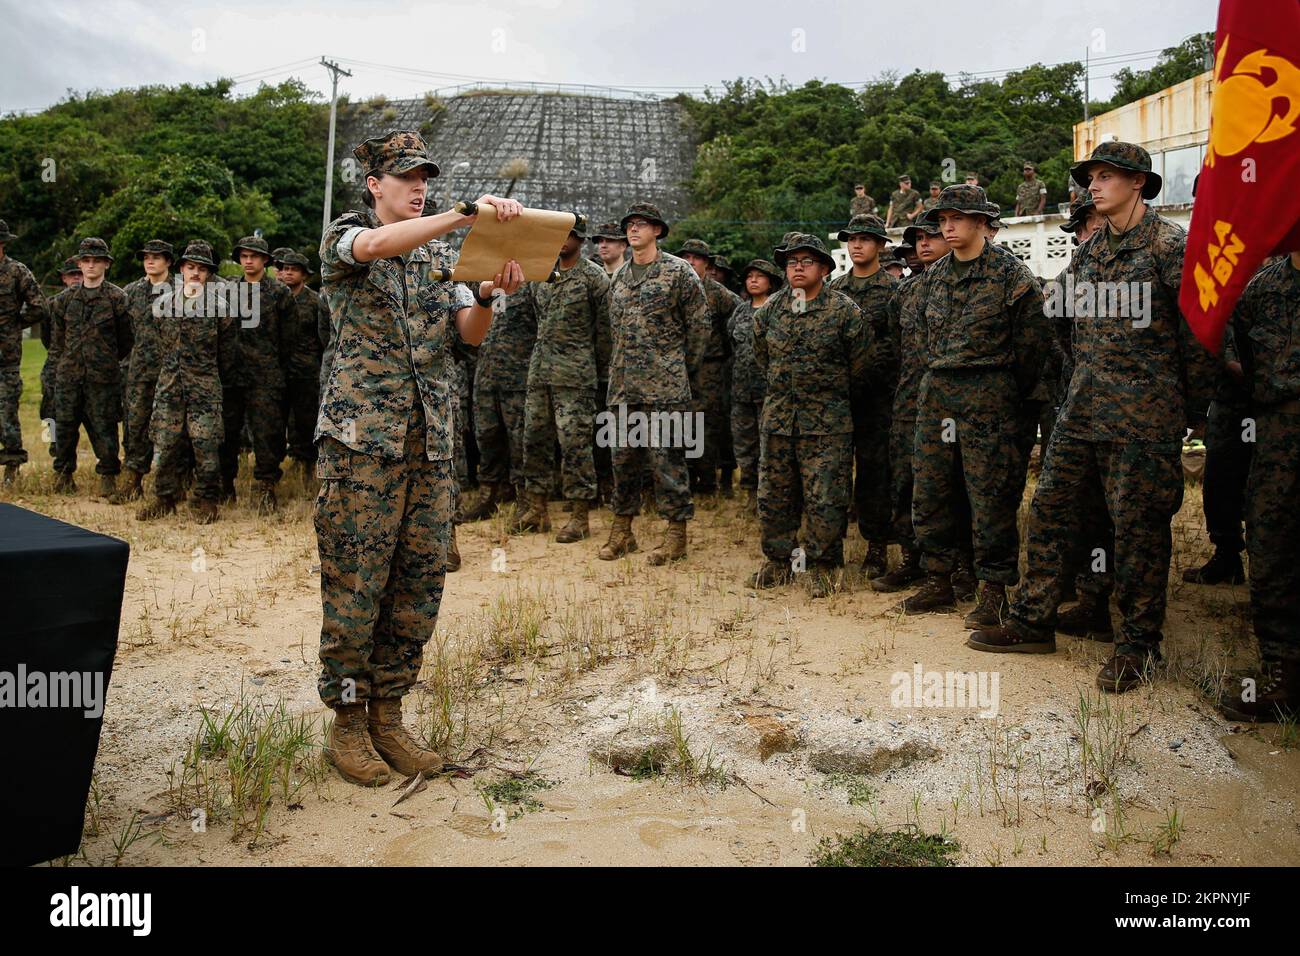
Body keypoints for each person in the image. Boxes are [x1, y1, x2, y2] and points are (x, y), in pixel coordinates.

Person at [967, 142, 1217, 694]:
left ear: (1138, 184)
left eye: (1106, 177)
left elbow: (1199, 336)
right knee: (1055, 510)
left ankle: (1136, 645)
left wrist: (1186, 408)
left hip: (1144, 415)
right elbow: (1060, 317)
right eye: (1091, 177)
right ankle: (1033, 620)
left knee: (1138, 530)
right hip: (1082, 408)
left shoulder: (1170, 248)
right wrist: (1085, 374)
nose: (1094, 187)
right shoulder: (1091, 251)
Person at [315, 129, 522, 785]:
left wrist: (489, 295)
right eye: (406, 178)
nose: (418, 188)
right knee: (356, 589)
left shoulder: (439, 259)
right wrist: (467, 214)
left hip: (431, 445)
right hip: (363, 448)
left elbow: (469, 336)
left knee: (416, 588)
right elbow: (375, 246)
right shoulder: (346, 238)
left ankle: (389, 718)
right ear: (375, 184)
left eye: (425, 178)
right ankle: (347, 727)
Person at [901, 185, 1049, 627]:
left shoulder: (1012, 277)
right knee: (931, 490)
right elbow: (921, 339)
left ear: (983, 223)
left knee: (991, 496)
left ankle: (993, 589)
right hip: (938, 395)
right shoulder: (933, 277)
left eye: (958, 218)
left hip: (991, 397)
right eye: (943, 218)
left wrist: (1004, 395)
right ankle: (940, 578)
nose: (947, 226)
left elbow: (1033, 348)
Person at [750, 235, 870, 598]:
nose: (798, 267)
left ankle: (822, 564)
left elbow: (861, 367)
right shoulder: (770, 310)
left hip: (827, 423)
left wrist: (827, 397)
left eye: (806, 261)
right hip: (779, 421)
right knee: (775, 495)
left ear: (824, 268)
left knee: (826, 497)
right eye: (791, 262)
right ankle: (778, 561)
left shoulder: (844, 311)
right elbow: (761, 357)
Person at [598, 201, 709, 565]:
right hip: (623, 388)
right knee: (623, 461)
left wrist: (678, 369)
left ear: (657, 231)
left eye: (642, 224)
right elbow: (611, 331)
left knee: (668, 462)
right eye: (630, 225)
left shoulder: (678, 273)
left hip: (666, 388)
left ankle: (676, 534)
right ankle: (622, 532)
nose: (633, 230)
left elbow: (699, 327)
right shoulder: (618, 277)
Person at [1221, 249, 1300, 720]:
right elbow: (1241, 354)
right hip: (1279, 432)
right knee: (1272, 545)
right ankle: (1284, 672)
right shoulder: (1263, 285)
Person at [518, 218, 610, 542]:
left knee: (575, 445)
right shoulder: (539, 273)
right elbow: (535, 318)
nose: (559, 239)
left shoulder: (594, 278)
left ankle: (579, 516)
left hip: (576, 376)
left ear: (580, 238)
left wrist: (598, 374)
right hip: (540, 372)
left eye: (566, 234)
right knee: (534, 439)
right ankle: (537, 509)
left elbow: (605, 332)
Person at [873, 212, 950, 593]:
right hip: (908, 403)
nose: (923, 243)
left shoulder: (963, 281)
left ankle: (958, 570)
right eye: (918, 237)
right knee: (904, 483)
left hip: (952, 405)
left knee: (950, 488)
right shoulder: (904, 291)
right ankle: (912, 559)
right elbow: (893, 345)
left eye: (931, 235)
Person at [137, 240, 236, 523]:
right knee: (165, 444)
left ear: (208, 274)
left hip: (204, 389)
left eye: (202, 269)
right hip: (170, 387)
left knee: (206, 445)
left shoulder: (220, 307)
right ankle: (164, 497)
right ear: (181, 269)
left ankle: (206, 500)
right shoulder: (163, 304)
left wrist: (208, 378)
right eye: (191, 267)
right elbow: (158, 346)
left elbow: (226, 354)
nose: (195, 273)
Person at [828, 214, 897, 577]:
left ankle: (876, 546)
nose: (856, 245)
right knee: (833, 471)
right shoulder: (834, 289)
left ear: (880, 246)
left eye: (865, 239)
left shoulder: (894, 290)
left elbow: (899, 343)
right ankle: (829, 545)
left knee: (874, 472)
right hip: (838, 396)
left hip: (877, 397)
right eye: (851, 239)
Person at [48, 237, 131, 495]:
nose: (91, 265)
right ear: (79, 264)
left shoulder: (118, 298)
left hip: (103, 377)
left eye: (97, 261)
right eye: (86, 261)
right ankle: (63, 475)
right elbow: (56, 339)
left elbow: (126, 339)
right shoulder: (63, 300)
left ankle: (108, 476)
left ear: (106, 264)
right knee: (63, 426)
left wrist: (105, 360)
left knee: (105, 428)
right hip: (69, 376)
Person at [220, 236, 294, 511]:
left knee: (267, 435)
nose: (248, 261)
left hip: (265, 377)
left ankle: (266, 488)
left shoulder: (279, 293)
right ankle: (225, 485)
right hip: (231, 375)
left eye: (254, 256)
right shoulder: (227, 291)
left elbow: (289, 339)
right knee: (226, 434)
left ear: (265, 260)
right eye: (244, 256)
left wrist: (273, 366)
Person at [676, 238, 740, 497]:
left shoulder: (717, 293)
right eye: (686, 257)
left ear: (707, 264)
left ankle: (708, 483)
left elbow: (740, 317)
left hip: (711, 369)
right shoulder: (675, 288)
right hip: (678, 367)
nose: (690, 262)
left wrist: (726, 352)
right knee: (681, 423)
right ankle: (688, 479)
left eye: (697, 258)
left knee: (707, 425)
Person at [113, 240, 174, 502]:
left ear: (168, 261)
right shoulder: (131, 292)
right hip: (138, 371)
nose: (150, 261)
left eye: (157, 257)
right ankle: (133, 478)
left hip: (170, 372)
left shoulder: (182, 291)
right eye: (146, 256)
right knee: (135, 425)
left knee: (170, 428)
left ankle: (175, 480)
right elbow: (122, 331)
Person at [729, 259, 780, 513]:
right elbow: (733, 345)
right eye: (749, 276)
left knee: (767, 445)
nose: (753, 280)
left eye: (759, 276)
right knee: (744, 445)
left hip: (768, 392)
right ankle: (750, 494)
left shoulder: (777, 309)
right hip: (741, 391)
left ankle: (768, 495)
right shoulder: (739, 311)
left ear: (770, 282)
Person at [0, 219, 49, 484]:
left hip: (5, 358)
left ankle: (12, 465)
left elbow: (40, 306)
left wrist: (14, 324)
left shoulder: (17, 272)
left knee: (6, 411)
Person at [278, 250, 329, 481]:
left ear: (304, 275)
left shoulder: (313, 301)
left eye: (294, 270)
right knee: (277, 419)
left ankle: (307, 463)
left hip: (306, 370)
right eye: (285, 269)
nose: (288, 273)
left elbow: (322, 335)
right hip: (279, 369)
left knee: (306, 420)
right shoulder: (276, 298)